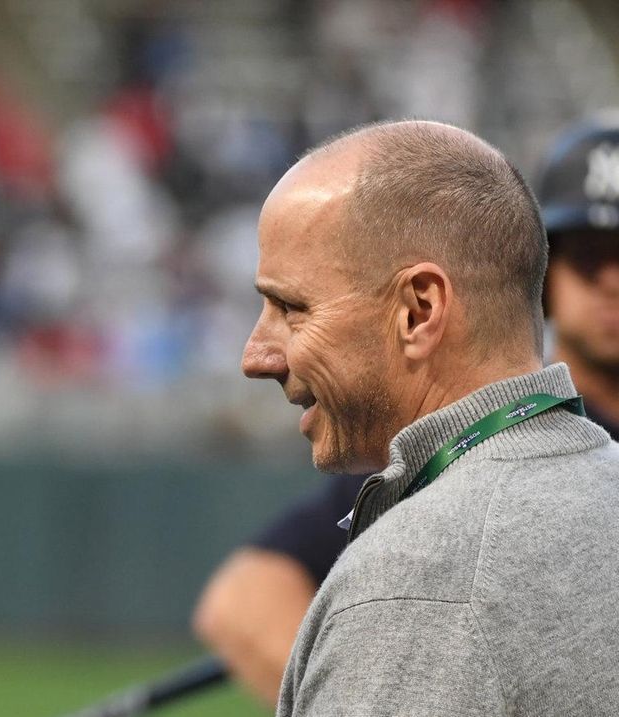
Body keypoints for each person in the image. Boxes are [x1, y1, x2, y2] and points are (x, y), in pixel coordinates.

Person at [191, 114, 619, 709]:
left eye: (292, 308)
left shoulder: (414, 580)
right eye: (592, 259)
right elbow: (247, 597)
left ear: (419, 310)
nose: (255, 356)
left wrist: (378, 653)